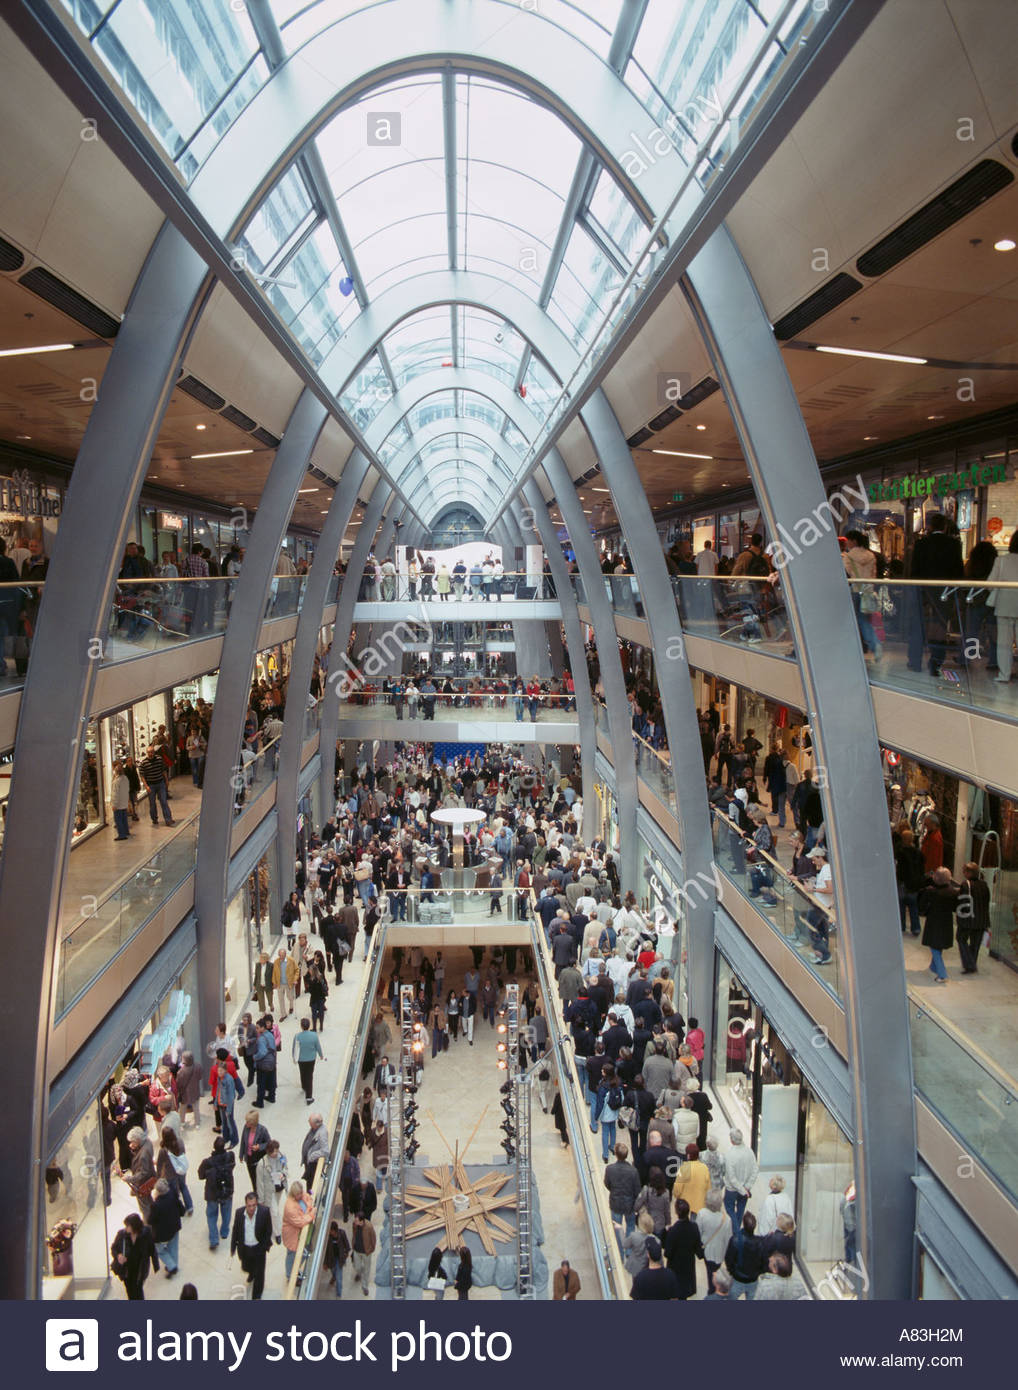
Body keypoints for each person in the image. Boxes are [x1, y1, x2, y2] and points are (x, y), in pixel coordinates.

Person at [919, 865, 959, 983]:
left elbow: (922, 906)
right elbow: (955, 907)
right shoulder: (953, 892)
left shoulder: (931, 891)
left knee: (934, 946)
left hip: (934, 922)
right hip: (946, 922)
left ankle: (942, 974)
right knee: (939, 945)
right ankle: (933, 966)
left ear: (936, 878)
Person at [987, 530, 1018, 682]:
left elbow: (990, 583)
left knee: (1004, 643)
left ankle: (1004, 674)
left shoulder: (1002, 560)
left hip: (1004, 605)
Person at [230, 1191, 274, 1299]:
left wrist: (264, 1246)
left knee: (260, 1274)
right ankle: (251, 1272)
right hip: (245, 1248)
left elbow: (269, 1230)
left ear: (257, 1203)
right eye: (249, 1206)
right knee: (246, 1267)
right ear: (246, 1205)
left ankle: (256, 1296)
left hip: (258, 1248)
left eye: (254, 1205)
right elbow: (235, 1230)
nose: (251, 1208)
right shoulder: (239, 1213)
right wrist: (233, 1247)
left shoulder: (264, 1212)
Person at [110, 1213, 159, 1299]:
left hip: (140, 1268)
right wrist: (118, 1256)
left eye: (128, 1226)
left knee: (138, 1289)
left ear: (134, 1226)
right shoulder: (122, 1235)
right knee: (129, 1290)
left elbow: (152, 1249)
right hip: (126, 1269)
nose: (126, 1228)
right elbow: (114, 1248)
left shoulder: (146, 1233)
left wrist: (155, 1264)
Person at [663, 1197, 704, 1300]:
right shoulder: (694, 1227)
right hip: (688, 1267)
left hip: (675, 1268)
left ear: (676, 1212)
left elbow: (667, 1254)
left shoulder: (673, 1231)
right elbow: (699, 1251)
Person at [957, 861, 991, 973]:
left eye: (964, 871)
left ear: (969, 872)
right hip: (982, 920)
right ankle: (971, 964)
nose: (963, 873)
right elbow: (987, 901)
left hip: (968, 919)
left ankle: (970, 964)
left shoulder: (965, 884)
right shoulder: (984, 884)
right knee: (975, 944)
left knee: (961, 939)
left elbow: (962, 902)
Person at [604, 1141, 642, 1241]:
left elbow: (607, 1184)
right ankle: (629, 1250)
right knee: (630, 1226)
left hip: (615, 1203)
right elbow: (637, 1190)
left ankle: (620, 1250)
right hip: (630, 1204)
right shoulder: (633, 1171)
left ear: (616, 1154)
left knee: (617, 1229)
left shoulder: (609, 1169)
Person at [696, 1188, 732, 1292]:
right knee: (715, 1272)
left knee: (709, 1273)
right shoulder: (727, 1219)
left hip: (707, 1250)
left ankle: (712, 1291)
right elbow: (728, 1239)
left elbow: (698, 1231)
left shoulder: (702, 1214)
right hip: (720, 1253)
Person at [725, 1210, 766, 1300]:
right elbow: (764, 1262)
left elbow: (728, 1259)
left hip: (738, 1278)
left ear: (743, 1224)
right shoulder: (760, 1243)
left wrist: (732, 1271)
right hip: (753, 1280)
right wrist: (758, 1272)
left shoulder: (735, 1240)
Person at [722, 1129, 758, 1228]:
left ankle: (736, 1229)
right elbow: (755, 1170)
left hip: (732, 1189)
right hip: (745, 1189)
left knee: (729, 1208)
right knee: (741, 1209)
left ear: (731, 1140)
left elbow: (731, 1177)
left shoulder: (729, 1155)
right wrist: (747, 1187)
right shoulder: (750, 1152)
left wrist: (742, 1189)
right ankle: (737, 1228)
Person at [281, 1179, 316, 1281]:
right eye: (298, 1194)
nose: (301, 1195)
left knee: (303, 1253)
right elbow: (300, 1222)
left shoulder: (302, 1196)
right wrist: (311, 1214)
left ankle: (294, 1271)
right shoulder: (290, 1207)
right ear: (293, 1194)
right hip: (292, 1235)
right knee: (292, 1254)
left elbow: (309, 1198)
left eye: (301, 1193)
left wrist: (307, 1214)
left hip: (301, 1232)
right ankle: (290, 1274)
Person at [255, 1138, 288, 1243]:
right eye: (274, 1152)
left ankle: (272, 1224)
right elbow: (259, 1182)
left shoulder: (281, 1156)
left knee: (274, 1208)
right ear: (268, 1152)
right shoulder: (262, 1164)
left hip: (280, 1187)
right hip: (270, 1191)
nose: (276, 1153)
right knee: (275, 1212)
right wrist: (261, 1199)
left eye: (277, 1150)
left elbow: (286, 1168)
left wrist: (283, 1174)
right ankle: (278, 1233)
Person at [292, 1018, 325, 1103]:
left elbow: (294, 1049)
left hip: (301, 1059)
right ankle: (309, 1097)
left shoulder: (297, 1036)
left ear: (301, 1026)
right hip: (311, 1059)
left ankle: (304, 1086)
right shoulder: (314, 1035)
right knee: (309, 1076)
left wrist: (294, 1057)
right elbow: (318, 1046)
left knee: (302, 1073)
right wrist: (321, 1055)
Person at [301, 1112, 330, 1189]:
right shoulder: (314, 1129)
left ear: (316, 1124)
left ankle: (310, 1196)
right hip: (309, 1162)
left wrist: (312, 1155)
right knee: (308, 1182)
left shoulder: (322, 1133)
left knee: (310, 1184)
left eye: (310, 1123)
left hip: (313, 1164)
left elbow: (325, 1151)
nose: (309, 1124)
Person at [351, 1211, 377, 1295]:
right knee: (357, 1266)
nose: (355, 1222)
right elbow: (354, 1235)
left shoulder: (369, 1227)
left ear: (361, 1221)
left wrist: (371, 1249)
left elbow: (373, 1238)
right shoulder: (354, 1225)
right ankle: (359, 1273)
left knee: (366, 1269)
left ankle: (365, 1286)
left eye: (357, 1221)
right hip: (357, 1250)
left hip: (366, 1252)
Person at [325, 1220, 351, 1298]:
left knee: (339, 1277)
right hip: (331, 1258)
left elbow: (347, 1245)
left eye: (330, 1230)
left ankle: (338, 1294)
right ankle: (334, 1277)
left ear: (334, 1230)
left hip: (339, 1259)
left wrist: (346, 1254)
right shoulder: (328, 1237)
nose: (329, 1232)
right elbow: (325, 1250)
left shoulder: (342, 1233)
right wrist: (325, 1263)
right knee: (333, 1271)